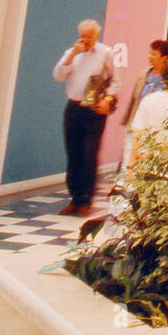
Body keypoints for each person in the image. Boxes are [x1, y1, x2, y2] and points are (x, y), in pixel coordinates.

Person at [52, 19, 119, 216]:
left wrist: (107, 99)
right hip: (73, 108)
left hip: (94, 110)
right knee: (73, 154)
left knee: (89, 155)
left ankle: (86, 201)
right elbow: (58, 75)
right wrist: (73, 54)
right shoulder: (72, 54)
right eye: (82, 36)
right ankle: (75, 197)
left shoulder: (106, 53)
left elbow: (116, 82)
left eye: (89, 36)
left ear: (96, 36)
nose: (85, 40)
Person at [119, 39, 168, 171]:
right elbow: (134, 99)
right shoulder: (144, 74)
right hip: (137, 123)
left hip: (156, 127)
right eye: (150, 53)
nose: (150, 57)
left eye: (154, 54)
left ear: (164, 57)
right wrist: (128, 122)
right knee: (130, 157)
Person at [128, 56, 168, 167]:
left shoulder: (148, 100)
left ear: (162, 78)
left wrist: (131, 166)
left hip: (146, 163)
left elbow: (137, 137)